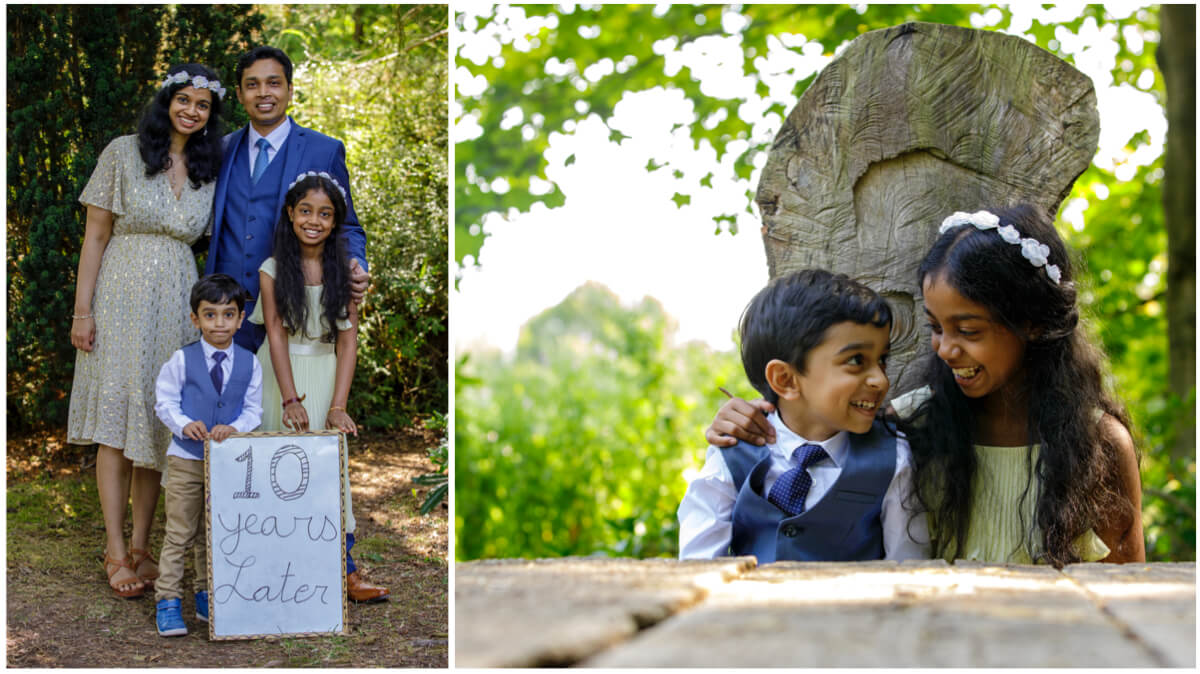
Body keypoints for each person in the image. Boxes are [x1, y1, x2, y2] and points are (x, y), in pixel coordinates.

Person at [707, 206, 1144, 566]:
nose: (945, 349)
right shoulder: (910, 423)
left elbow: (1126, 588)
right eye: (936, 327)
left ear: (1031, 323)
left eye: (968, 331)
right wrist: (751, 420)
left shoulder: (1098, 446)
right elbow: (812, 434)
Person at [68, 63, 228, 598]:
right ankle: (115, 551)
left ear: (210, 115)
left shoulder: (209, 169)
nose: (192, 111)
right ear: (166, 101)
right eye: (184, 100)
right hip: (120, 297)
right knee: (117, 424)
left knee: (161, 422)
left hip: (177, 300)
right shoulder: (122, 153)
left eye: (202, 105)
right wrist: (82, 312)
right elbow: (95, 236)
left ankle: (142, 548)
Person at [679, 270, 929, 562]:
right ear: (785, 379)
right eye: (856, 360)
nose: (881, 380)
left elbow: (909, 569)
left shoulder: (893, 458)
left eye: (882, 360)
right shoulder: (731, 455)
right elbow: (698, 567)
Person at [248, 171, 389, 602]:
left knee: (330, 473)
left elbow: (348, 340)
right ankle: (273, 571)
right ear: (291, 214)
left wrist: (337, 405)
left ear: (335, 221)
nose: (314, 221)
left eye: (325, 214)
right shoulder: (272, 269)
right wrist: (290, 399)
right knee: (279, 471)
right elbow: (275, 333)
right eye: (306, 211)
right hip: (280, 376)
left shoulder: (345, 272)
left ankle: (345, 570)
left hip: (326, 374)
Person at [205, 45, 369, 353]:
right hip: (225, 315)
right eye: (252, 84)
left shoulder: (324, 150)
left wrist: (355, 264)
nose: (263, 93)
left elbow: (347, 225)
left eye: (274, 83)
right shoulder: (220, 150)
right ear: (239, 94)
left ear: (290, 90)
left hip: (295, 314)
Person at [152, 274, 263, 636]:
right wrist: (184, 424)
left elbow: (253, 411)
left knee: (211, 530)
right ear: (195, 318)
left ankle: (205, 593)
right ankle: (168, 599)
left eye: (228, 315)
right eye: (210, 315)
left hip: (226, 464)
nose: (219, 324)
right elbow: (165, 401)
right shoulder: (181, 360)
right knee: (180, 531)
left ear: (240, 319)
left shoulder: (250, 363)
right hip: (186, 458)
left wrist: (235, 428)